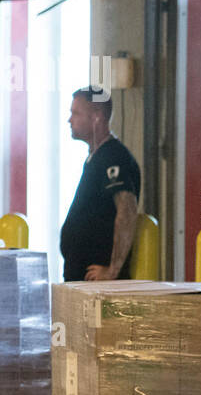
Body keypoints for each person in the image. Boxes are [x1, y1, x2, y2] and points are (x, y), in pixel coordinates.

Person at [60, 87, 142, 282]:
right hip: (82, 275)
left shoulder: (114, 157)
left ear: (96, 117)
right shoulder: (95, 157)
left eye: (76, 113)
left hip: (98, 279)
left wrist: (112, 270)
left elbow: (127, 211)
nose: (69, 120)